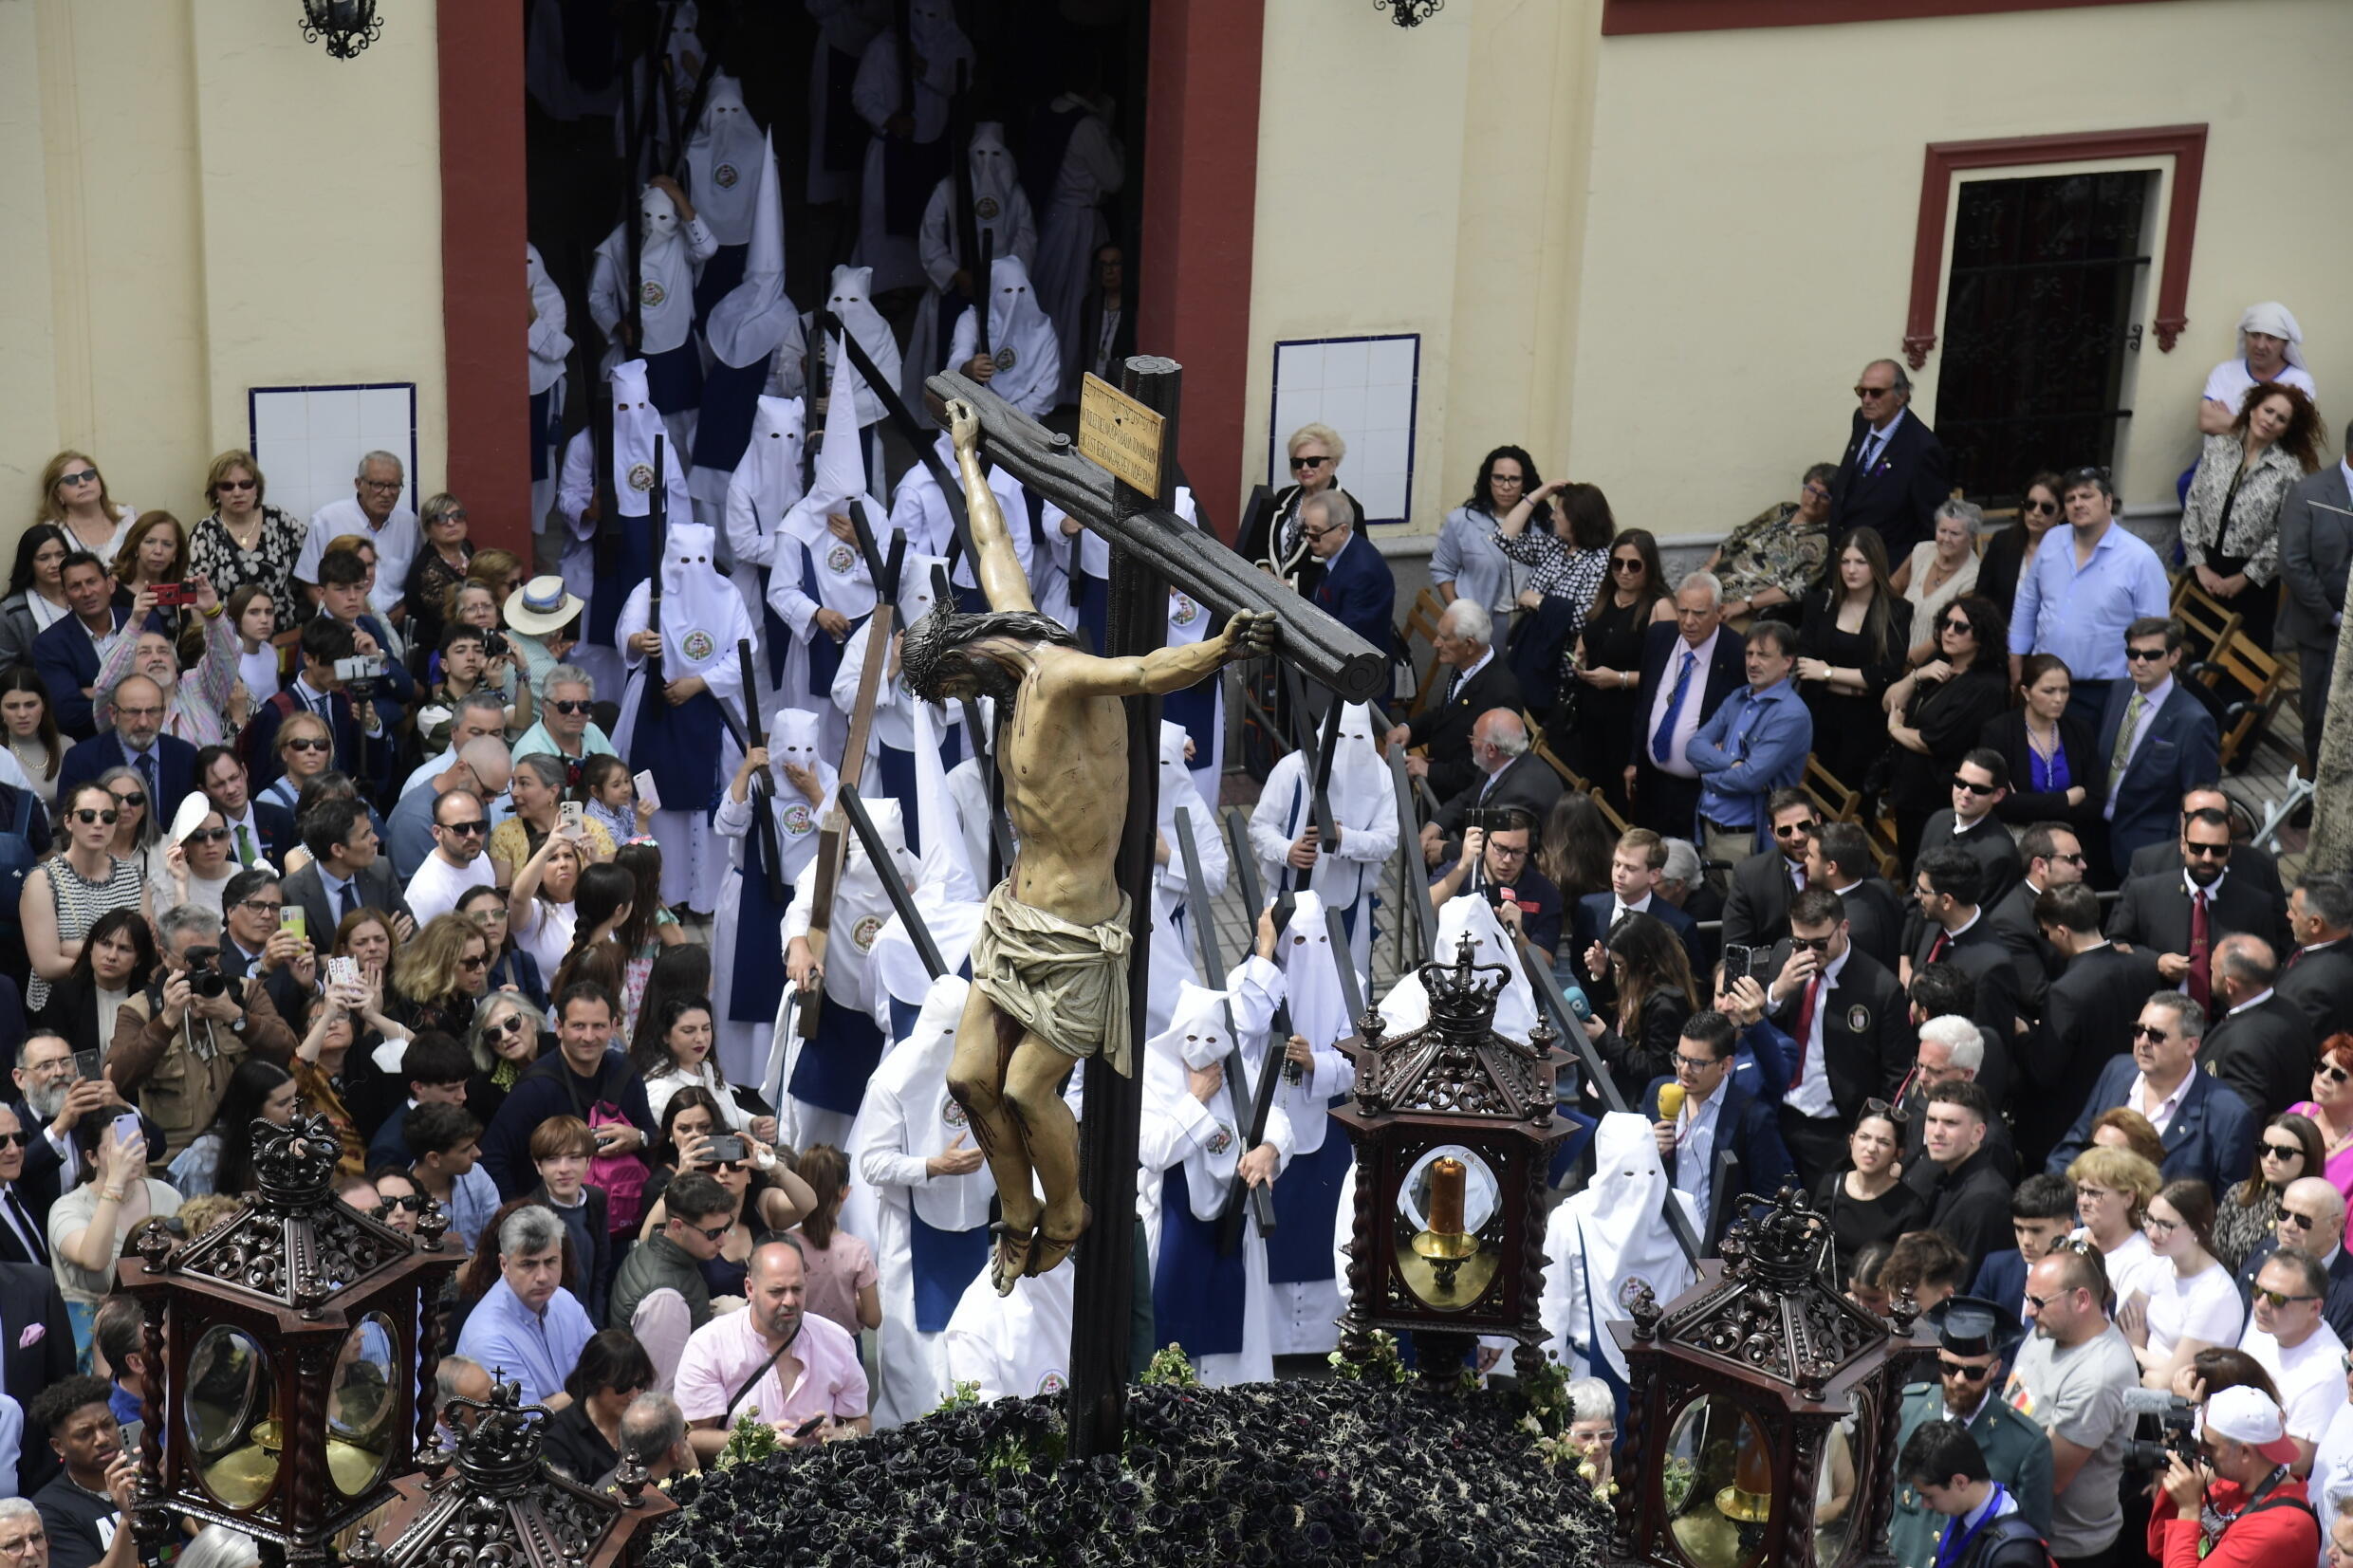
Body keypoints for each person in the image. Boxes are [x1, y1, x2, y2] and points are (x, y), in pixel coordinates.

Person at [1756, 885, 1911, 1189]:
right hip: (1779, 1112)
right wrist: (1776, 992)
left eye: (1820, 943)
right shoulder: (1785, 958)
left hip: (1836, 1128)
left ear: (1843, 928)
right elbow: (1758, 1023)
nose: (1810, 953)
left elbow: (1896, 1070)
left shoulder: (1880, 987)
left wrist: (1872, 1131)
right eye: (1801, 942)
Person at [2003, 1242, 2139, 1566]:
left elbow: (2047, 1477)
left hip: (2065, 1549)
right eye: (2027, 1299)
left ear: (2081, 1300)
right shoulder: (2048, 1330)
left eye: (2038, 1302)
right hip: (2021, 1526)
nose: (2029, 1311)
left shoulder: (2100, 1375)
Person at [2009, 468, 2172, 732]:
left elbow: (2154, 632)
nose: (2078, 504)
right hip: (2042, 678)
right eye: (2070, 499)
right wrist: (2016, 662)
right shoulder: (2052, 541)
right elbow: (2028, 603)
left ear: (2108, 501)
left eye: (2086, 496)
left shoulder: (2140, 559)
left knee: (2085, 766)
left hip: (2102, 691)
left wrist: (2139, 692)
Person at [676, 1238, 868, 1458]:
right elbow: (691, 1436)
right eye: (777, 1292)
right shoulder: (708, 1346)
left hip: (816, 1484)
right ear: (750, 1288)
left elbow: (861, 1422)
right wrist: (757, 1441)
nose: (789, 1300)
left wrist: (837, 1435)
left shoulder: (836, 1341)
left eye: (797, 1289)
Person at [2181, 381, 2324, 654]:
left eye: (2281, 418)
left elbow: (2288, 534)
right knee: (2196, 654)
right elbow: (2193, 505)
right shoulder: (2219, 449)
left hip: (2251, 586)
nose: (2270, 420)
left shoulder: (2290, 471)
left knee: (2240, 666)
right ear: (2252, 409)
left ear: (2287, 428)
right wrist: (2199, 564)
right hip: (2204, 572)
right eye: (2268, 410)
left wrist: (2244, 577)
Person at [2106, 806, 2287, 1018]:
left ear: (2230, 850)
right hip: (2159, 1022)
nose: (2207, 858)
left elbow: (2269, 965)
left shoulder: (2255, 904)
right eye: (2198, 848)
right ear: (2183, 845)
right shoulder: (2144, 893)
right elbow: (2115, 944)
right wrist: (2155, 962)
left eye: (2217, 850)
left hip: (2227, 1025)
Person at [481, 983, 652, 1200]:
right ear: (559, 1028)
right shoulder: (535, 1089)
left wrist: (638, 1138)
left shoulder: (625, 1071)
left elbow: (651, 1133)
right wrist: (519, 1214)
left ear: (613, 1027)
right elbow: (493, 1158)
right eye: (579, 1026)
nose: (589, 1037)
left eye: (598, 1026)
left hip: (624, 1210)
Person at [1640, 1010, 1791, 1252]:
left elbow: (1770, 1197)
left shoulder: (1752, 1116)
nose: (1684, 1069)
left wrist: (1733, 1238)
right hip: (1657, 1243)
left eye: (1697, 1063)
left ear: (1726, 1065)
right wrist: (1645, 1152)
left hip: (1715, 1254)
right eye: (1680, 1057)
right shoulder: (1658, 1091)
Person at [1883, 595, 2010, 869]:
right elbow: (1889, 702)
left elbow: (1932, 742)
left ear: (1981, 635)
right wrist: (1918, 675)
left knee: (1927, 870)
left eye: (1961, 627)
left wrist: (1895, 729)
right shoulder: (1940, 663)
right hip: (1910, 789)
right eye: (1946, 623)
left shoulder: (1986, 686)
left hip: (1938, 796)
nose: (1949, 631)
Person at [1625, 572, 1746, 837]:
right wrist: (1634, 759)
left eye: (1699, 613)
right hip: (1651, 782)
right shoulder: (1659, 636)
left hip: (1699, 790)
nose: (1689, 621)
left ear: (1719, 611)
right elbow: (1644, 703)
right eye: (1683, 611)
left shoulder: (1736, 652)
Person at [2150, 1381, 2319, 1568]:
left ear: (2244, 1453)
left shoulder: (2279, 1527)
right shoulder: (2233, 1483)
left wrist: (2189, 1509)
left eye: (2210, 1445)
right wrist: (2179, 1475)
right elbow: (2160, 1546)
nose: (2202, 1451)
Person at [1795, 526, 1911, 793]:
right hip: (1820, 717)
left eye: (1861, 562)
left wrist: (1828, 674)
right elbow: (1805, 663)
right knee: (1816, 797)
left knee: (1856, 800)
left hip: (1866, 724)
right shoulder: (1820, 603)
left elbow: (1886, 674)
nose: (1851, 570)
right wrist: (1856, 683)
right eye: (1845, 561)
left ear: (1876, 564)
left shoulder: (1897, 610)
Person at [1686, 620, 1810, 867]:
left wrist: (1707, 776)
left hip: (1746, 840)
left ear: (1788, 662)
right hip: (1707, 828)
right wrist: (1731, 762)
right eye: (1749, 654)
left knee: (1738, 905)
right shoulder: (1739, 696)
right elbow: (1694, 746)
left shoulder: (1791, 715)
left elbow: (1750, 778)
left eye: (1763, 655)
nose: (1752, 663)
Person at [1566, 529, 1671, 813]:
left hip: (1627, 720)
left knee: (1619, 799)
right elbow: (1589, 637)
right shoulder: (1605, 598)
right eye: (1617, 563)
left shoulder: (1659, 607)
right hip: (1591, 713)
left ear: (1649, 566)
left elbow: (1667, 675)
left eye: (1634, 565)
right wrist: (1580, 655)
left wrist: (1618, 679)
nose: (1624, 572)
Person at [454, 1204, 595, 1409]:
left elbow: (603, 1369)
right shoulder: (488, 1337)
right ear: (504, 1265)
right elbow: (528, 1422)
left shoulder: (564, 1301)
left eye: (550, 1261)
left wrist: (556, 1401)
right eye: (528, 1264)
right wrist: (588, 1392)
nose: (543, 1277)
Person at [1389, 600, 1520, 804]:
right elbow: (1446, 715)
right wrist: (1409, 729)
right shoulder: (1465, 664)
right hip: (1439, 791)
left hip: (1463, 807)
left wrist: (1431, 771)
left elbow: (1488, 767)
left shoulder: (1500, 693)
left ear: (1469, 644)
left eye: (1444, 638)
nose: (1435, 643)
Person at [1893, 1401, 2054, 1568]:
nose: (1925, 1505)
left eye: (1929, 1496)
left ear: (1959, 1481)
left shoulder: (2014, 1556)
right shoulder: (1967, 1514)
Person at [2121, 1179, 2247, 1391]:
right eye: (2149, 1219)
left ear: (2199, 1229)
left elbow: (2169, 1382)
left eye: (2166, 1226)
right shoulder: (2160, 1260)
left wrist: (2133, 1350)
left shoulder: (2215, 1295)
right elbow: (2121, 1329)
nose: (2152, 1233)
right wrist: (2159, 1363)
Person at [2235, 1246, 2348, 1466]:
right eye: (2257, 1291)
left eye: (2278, 1299)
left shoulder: (2329, 1371)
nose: (2261, 1305)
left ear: (2314, 1308)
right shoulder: (2266, 1328)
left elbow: (2297, 1461)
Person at [1828, 359, 1950, 563]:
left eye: (1875, 393)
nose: (1866, 399)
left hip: (1882, 568)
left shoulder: (1922, 448)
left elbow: (1930, 527)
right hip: (1843, 558)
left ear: (1901, 396)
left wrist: (1899, 577)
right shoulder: (1862, 420)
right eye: (1861, 391)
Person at [1585, 913, 1701, 1113]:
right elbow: (1614, 1011)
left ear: (1643, 962)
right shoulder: (1636, 983)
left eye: (1620, 965)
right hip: (1619, 1094)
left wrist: (1605, 1039)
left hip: (1641, 1106)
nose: (1617, 971)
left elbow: (1657, 1068)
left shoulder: (1666, 1005)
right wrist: (1601, 976)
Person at [1982, 655, 2103, 838]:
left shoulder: (2079, 730)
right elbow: (2000, 803)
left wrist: (2025, 804)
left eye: (2065, 690)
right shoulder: (1998, 732)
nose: (2058, 699)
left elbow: (2095, 801)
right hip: (2015, 839)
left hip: (2071, 839)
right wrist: (2066, 799)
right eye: (2049, 691)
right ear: (2026, 692)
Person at [26, 1376, 139, 1568]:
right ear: (58, 1446)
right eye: (85, 1434)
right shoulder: (49, 1510)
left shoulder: (142, 1476)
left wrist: (178, 1483)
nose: (102, 1439)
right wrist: (128, 1519)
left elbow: (201, 1531)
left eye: (107, 1424)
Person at [2197, 937, 2312, 1122]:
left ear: (2229, 985)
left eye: (2213, 969)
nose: (2210, 973)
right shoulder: (2291, 1009)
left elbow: (2240, 1119)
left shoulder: (2244, 1047)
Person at [1812, 1100, 1926, 1282]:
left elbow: (1904, 1271)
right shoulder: (1830, 1184)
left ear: (1898, 1153)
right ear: (1852, 1141)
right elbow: (1809, 1243)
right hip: (1822, 1291)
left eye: (1883, 1142)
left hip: (1870, 1301)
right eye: (1864, 1137)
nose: (1871, 1148)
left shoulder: (1910, 1206)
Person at [1710, 465, 1838, 623]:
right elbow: (1737, 536)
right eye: (1811, 489)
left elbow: (1794, 589)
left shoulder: (1823, 541)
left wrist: (1745, 604)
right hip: (1715, 586)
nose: (1814, 500)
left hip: (1749, 608)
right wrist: (1706, 570)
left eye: (1824, 496)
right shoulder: (1783, 510)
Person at [1433, 447, 1541, 636]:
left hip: (1530, 619)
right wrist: (1462, 615)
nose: (1506, 487)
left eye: (1514, 479)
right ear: (1488, 480)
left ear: (1525, 483)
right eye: (1498, 478)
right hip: (1483, 619)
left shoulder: (1542, 524)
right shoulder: (1462, 521)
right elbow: (1443, 570)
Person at [1916, 1080, 2014, 1279]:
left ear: (1978, 1133)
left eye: (1950, 1123)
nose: (1937, 1132)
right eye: (1932, 1120)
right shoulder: (1947, 1178)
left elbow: (1967, 1282)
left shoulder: (1986, 1199)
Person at [29, 553, 132, 742]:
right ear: (65, 596)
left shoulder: (141, 622)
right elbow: (68, 715)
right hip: (93, 744)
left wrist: (96, 693)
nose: (86, 592)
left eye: (92, 581)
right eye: (76, 586)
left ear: (110, 585)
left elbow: (166, 686)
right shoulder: (50, 644)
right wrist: (135, 701)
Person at [1429, 812, 1562, 955]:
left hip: (1512, 975)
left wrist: (1520, 936)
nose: (1507, 860)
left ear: (1529, 850)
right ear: (1485, 842)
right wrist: (1463, 866)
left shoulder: (1544, 891)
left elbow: (1543, 967)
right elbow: (1426, 909)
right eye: (1500, 848)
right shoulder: (1459, 871)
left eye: (1517, 852)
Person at [1916, 747, 2028, 916]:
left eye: (1978, 789)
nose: (1966, 793)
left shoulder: (1999, 854)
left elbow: (1976, 916)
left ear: (1997, 795)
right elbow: (1913, 889)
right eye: (1960, 783)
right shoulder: (1938, 821)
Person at [189, 452, 306, 608]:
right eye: (227, 486)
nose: (237, 492)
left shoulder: (277, 519)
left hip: (282, 629)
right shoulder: (204, 532)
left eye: (245, 484)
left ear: (257, 488)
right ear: (216, 492)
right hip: (227, 630)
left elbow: (313, 556)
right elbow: (195, 593)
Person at [2215, 1115, 2325, 1276]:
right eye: (2264, 1149)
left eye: (2284, 1152)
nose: (2271, 1159)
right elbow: (2218, 1255)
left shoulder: (2322, 1207)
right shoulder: (2239, 1193)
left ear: (2309, 1157)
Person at [541, 1329, 652, 1486]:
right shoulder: (558, 1439)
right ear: (593, 1381)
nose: (634, 1395)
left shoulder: (647, 1425)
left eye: (640, 1384)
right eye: (623, 1386)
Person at [1972, 1173, 2081, 1322]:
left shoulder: (2087, 1279)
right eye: (2019, 1229)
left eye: (2036, 1230)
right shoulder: (1996, 1267)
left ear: (2067, 1228)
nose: (2026, 1241)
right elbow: (1970, 1326)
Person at [2199, 302, 2317, 435]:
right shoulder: (2224, 372)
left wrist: (2229, 420)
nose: (2260, 345)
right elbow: (2206, 422)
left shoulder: (2299, 382)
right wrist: (2264, 428)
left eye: (2271, 338)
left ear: (2285, 344)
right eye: (2255, 335)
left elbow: (2288, 437)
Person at [1976, 472, 2066, 632]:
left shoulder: (2070, 552)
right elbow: (1982, 597)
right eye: (2030, 504)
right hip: (1999, 637)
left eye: (2047, 508)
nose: (2036, 513)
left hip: (2046, 643)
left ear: (2061, 513)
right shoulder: (2002, 541)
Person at [406, 1102, 498, 1253]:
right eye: (466, 1149)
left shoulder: (477, 1176)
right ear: (434, 1159)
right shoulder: (403, 1202)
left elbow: (499, 1235)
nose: (478, 1153)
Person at [0, 526, 72, 673]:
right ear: (29, 563)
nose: (55, 564)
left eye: (60, 555)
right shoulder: (11, 611)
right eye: (44, 558)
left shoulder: (87, 595)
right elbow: (5, 670)